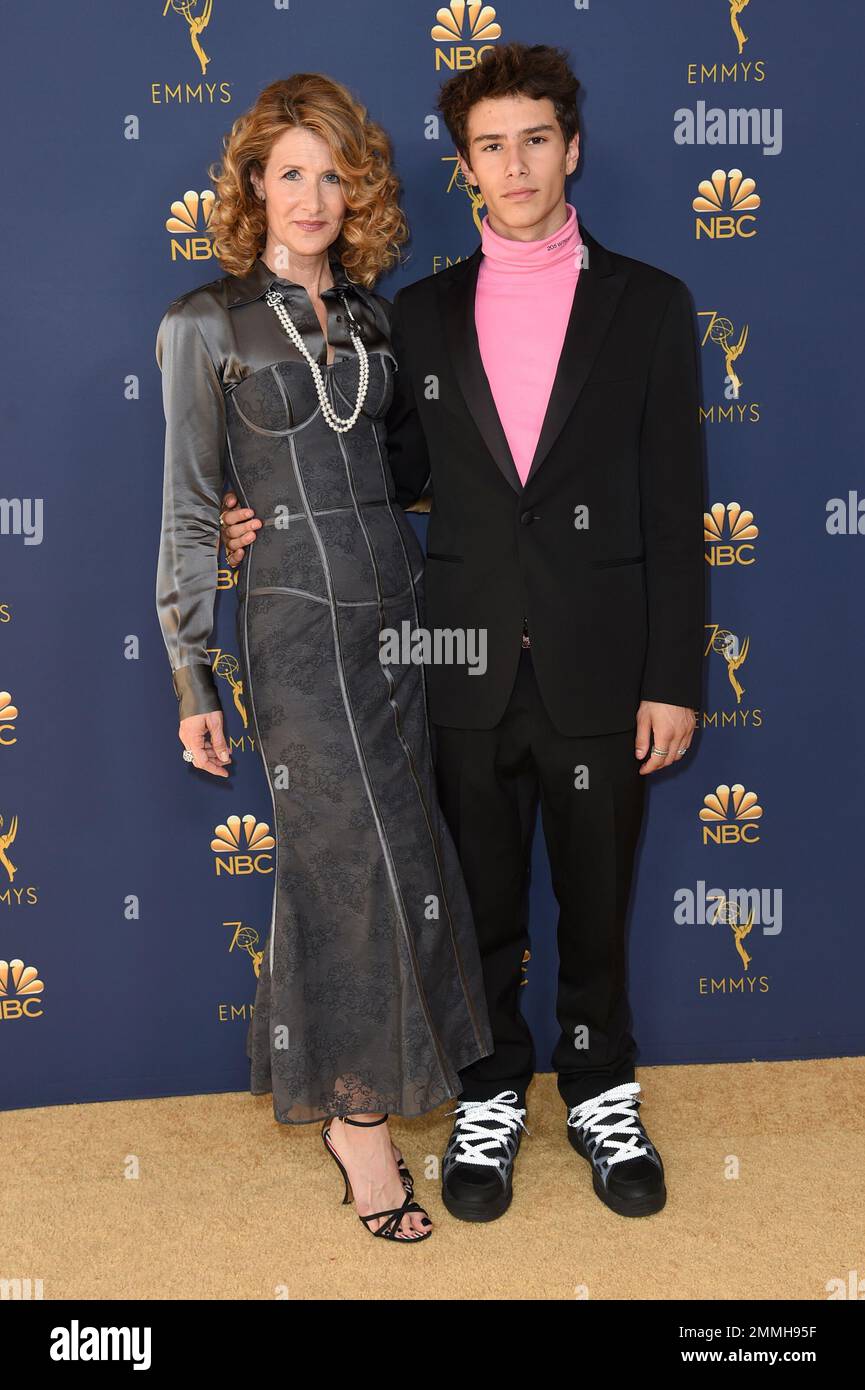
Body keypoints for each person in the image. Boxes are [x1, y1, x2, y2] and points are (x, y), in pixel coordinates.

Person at [221, 42, 706, 1223]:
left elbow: (674, 504)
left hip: (602, 664)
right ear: (466, 167)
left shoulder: (648, 304)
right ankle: (486, 1093)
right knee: (474, 903)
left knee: (596, 902)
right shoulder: (421, 315)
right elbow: (380, 472)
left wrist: (672, 676)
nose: (515, 164)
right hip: (456, 664)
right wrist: (255, 508)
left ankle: (599, 1090)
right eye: (490, 146)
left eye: (534, 139)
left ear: (570, 149)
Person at [154, 72, 494, 1244]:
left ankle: (376, 1082)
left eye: (332, 174)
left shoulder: (377, 323)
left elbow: (411, 471)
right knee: (345, 860)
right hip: (293, 625)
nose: (311, 196)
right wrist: (192, 671)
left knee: (391, 853)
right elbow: (188, 504)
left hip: (399, 611)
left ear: (359, 193)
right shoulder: (203, 322)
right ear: (253, 185)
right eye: (288, 172)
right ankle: (358, 1125)